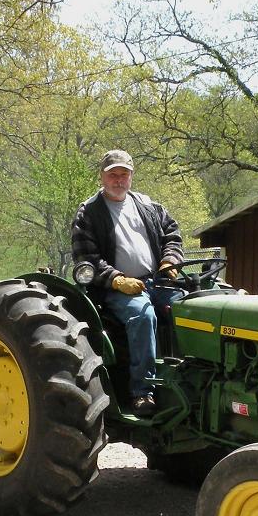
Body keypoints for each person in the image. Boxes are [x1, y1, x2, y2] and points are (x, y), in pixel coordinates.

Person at [71, 149, 184, 416]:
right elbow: (86, 256)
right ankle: (143, 392)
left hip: (157, 281)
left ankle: (183, 381)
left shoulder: (147, 205)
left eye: (124, 174)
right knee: (143, 316)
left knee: (188, 312)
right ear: (102, 176)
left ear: (131, 176)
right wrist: (117, 279)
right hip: (115, 289)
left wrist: (169, 260)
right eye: (113, 174)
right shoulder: (90, 212)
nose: (118, 180)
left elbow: (172, 234)